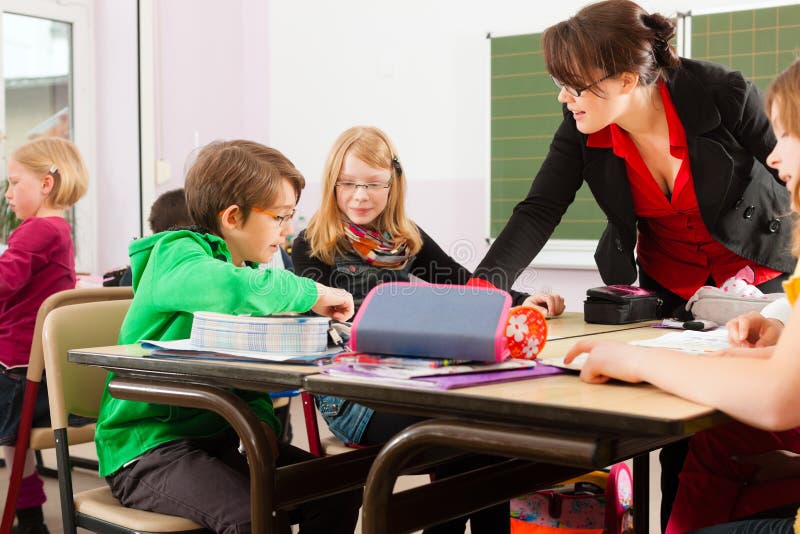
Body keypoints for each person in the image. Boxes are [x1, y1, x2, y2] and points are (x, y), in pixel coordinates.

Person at [471, 1, 794, 528]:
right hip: (670, 288)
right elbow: (539, 211)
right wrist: (477, 299)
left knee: (742, 428)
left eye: (574, 85)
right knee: (674, 432)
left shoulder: (721, 93)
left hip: (760, 282)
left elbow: (788, 167)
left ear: (625, 79)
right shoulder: (582, 124)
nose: (563, 97)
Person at [565, 58, 800, 534]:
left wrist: (631, 360)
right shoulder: (584, 130)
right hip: (684, 295)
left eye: (788, 136)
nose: (772, 157)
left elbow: (778, 397)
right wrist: (776, 324)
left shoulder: (718, 93)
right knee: (720, 443)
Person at [292, 125, 565, 534]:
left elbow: (466, 282)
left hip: (412, 381)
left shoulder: (405, 238)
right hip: (352, 396)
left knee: (484, 435)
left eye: (373, 184)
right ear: (332, 184)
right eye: (348, 183)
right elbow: (316, 327)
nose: (360, 195)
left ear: (393, 185)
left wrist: (523, 299)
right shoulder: (312, 244)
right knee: (466, 432)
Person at [94, 140, 360, 534]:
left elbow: (243, 371)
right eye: (280, 217)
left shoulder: (244, 270)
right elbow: (230, 288)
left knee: (337, 488)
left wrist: (264, 422)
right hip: (147, 449)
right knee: (252, 517)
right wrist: (312, 292)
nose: (288, 231)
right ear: (233, 217)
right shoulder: (176, 255)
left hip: (218, 437)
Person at [1, 137, 89, 534]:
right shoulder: (58, 230)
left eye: (13, 182)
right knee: (11, 445)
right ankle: (31, 520)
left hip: (17, 372)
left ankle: (31, 520)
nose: (7, 194)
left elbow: (4, 281)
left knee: (11, 443)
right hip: (34, 374)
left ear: (45, 184)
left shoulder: (35, 231)